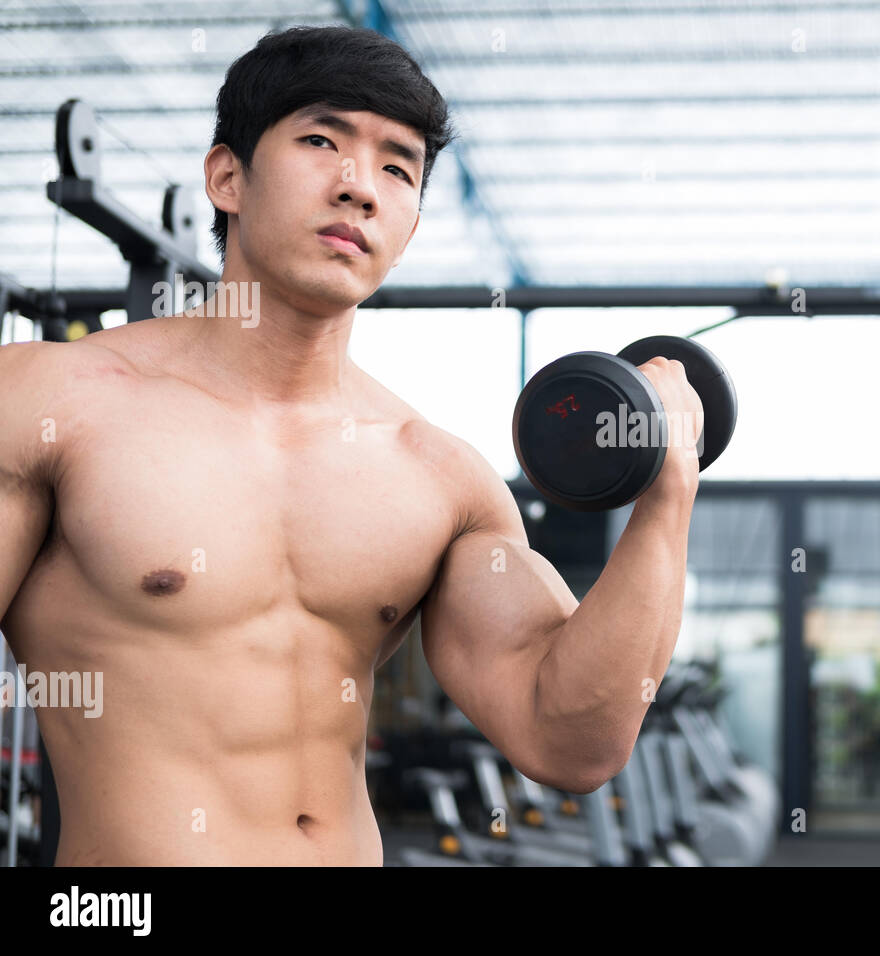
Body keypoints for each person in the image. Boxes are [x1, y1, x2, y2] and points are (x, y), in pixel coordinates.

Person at [0, 26, 703, 866]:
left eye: (397, 168)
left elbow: (569, 740)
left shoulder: (440, 477)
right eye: (321, 140)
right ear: (227, 176)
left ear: (409, 224)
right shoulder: (50, 402)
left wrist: (667, 497)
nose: (360, 187)